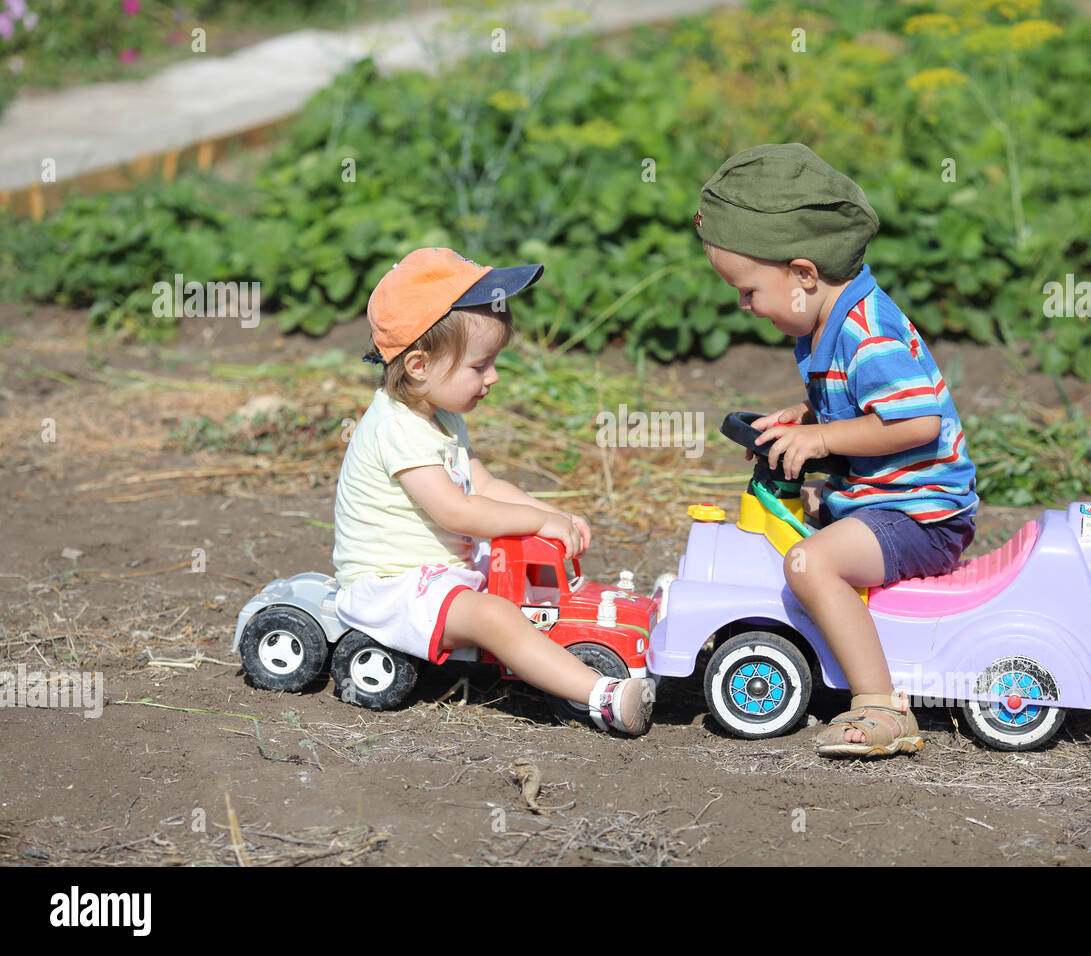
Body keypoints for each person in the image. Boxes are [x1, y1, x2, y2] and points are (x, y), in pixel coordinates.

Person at [695, 143, 978, 757]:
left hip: (921, 515)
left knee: (809, 563)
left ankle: (881, 705)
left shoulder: (867, 332)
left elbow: (915, 424)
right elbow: (858, 405)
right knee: (790, 527)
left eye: (747, 292)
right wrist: (803, 418)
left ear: (802, 274)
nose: (744, 307)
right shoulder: (828, 319)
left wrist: (820, 438)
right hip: (881, 500)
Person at [331, 247, 653, 734]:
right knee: (496, 616)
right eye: (480, 367)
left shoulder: (441, 414)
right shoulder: (396, 429)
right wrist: (537, 522)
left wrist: (550, 513)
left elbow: (484, 484)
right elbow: (456, 512)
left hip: (441, 567)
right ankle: (600, 694)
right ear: (418, 366)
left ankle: (576, 650)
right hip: (391, 583)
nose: (494, 377)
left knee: (530, 589)